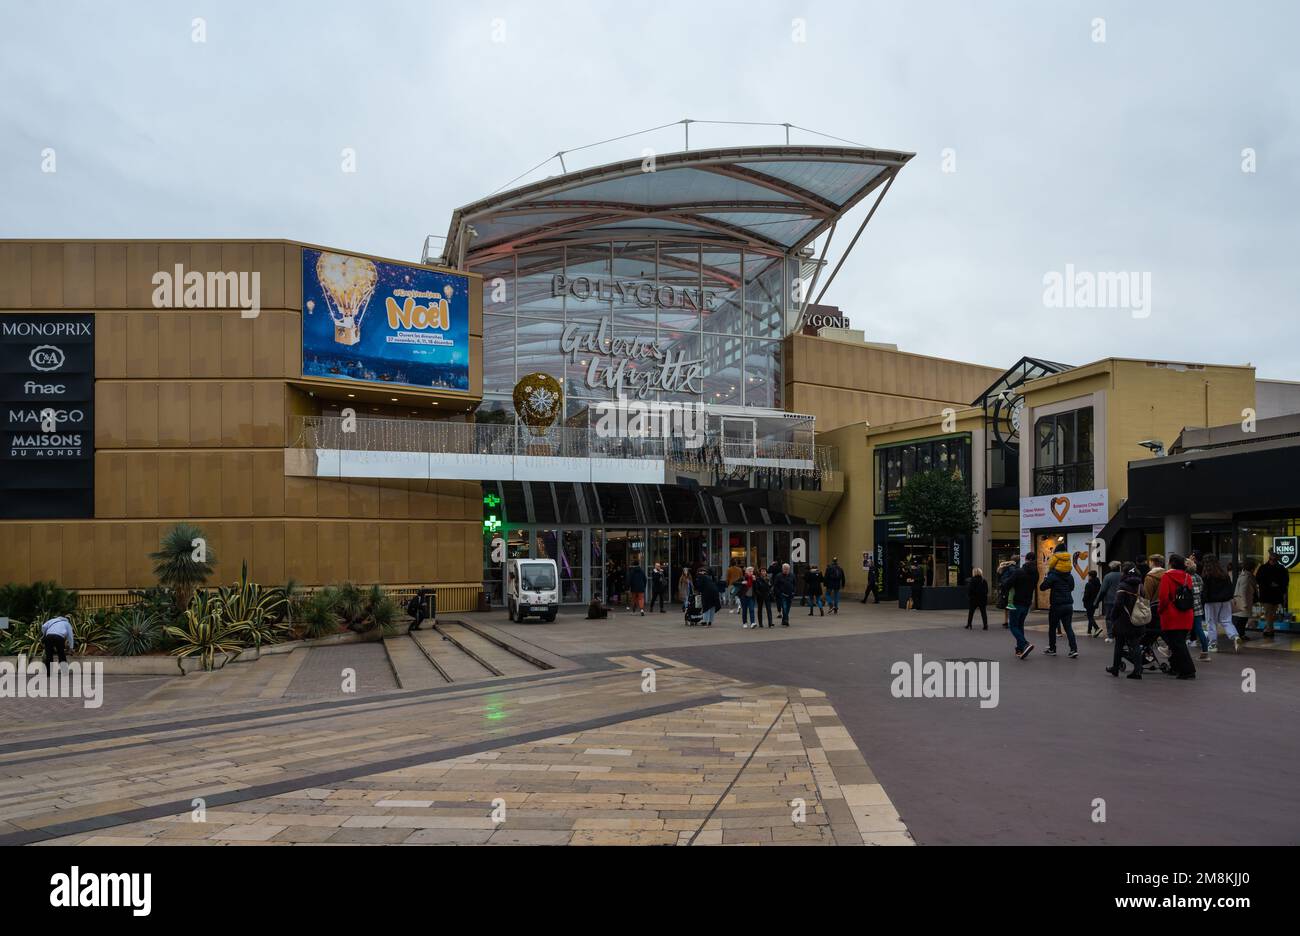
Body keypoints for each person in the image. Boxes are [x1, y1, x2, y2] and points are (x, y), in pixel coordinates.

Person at [1158, 554, 1197, 679]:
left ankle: (1188, 670)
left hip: (1172, 614)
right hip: (1186, 613)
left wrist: (1160, 610)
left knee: (1177, 644)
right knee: (1177, 643)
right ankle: (1175, 667)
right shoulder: (1188, 577)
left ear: (1170, 563)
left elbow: (1164, 597)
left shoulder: (1167, 576)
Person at [1105, 564, 1145, 679]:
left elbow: (1118, 604)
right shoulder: (1140, 586)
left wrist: (1113, 617)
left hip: (1123, 620)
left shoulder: (1122, 586)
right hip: (1137, 619)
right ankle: (1137, 670)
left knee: (1119, 645)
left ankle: (1115, 668)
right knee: (1135, 644)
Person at [1039, 545, 1079, 658]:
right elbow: (1071, 588)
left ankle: (1052, 648)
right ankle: (1073, 649)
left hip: (1057, 605)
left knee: (1052, 627)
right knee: (1068, 627)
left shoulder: (1053, 575)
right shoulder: (1069, 576)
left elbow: (1042, 587)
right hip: (1068, 604)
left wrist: (1046, 576)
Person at [1201, 554, 1240, 653]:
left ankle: (1213, 644)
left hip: (1211, 602)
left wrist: (1203, 601)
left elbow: (1205, 591)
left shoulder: (1206, 575)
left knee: (1211, 622)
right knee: (1227, 620)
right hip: (1225, 601)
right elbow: (1230, 587)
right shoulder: (1223, 573)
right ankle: (1235, 636)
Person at [1007, 553, 1036, 659]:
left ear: (1026, 559)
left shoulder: (1019, 572)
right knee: (1020, 625)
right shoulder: (1035, 573)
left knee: (1013, 626)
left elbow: (1008, 583)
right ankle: (1020, 649)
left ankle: (1025, 644)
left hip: (1016, 602)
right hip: (1027, 603)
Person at [1256, 549, 1290, 639]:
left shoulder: (1280, 569)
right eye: (1272, 559)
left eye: (1274, 560)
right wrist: (1271, 585)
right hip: (1267, 594)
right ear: (1269, 559)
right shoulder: (1263, 568)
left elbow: (1285, 581)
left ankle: (1267, 629)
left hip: (1275, 594)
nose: (1273, 561)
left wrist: (1279, 587)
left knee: (1271, 614)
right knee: (1269, 613)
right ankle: (1270, 630)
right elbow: (1258, 580)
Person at [1186, 557, 1209, 661]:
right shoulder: (1199, 577)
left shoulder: (1185, 578)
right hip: (1198, 607)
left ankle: (1171, 650)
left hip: (1187, 608)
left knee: (1182, 630)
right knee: (1199, 629)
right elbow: (1201, 590)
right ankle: (1205, 652)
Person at [1232, 558, 1258, 643]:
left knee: (1242, 620)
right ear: (1252, 568)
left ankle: (1241, 634)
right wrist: (1244, 603)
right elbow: (1242, 591)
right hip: (1243, 602)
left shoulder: (1246, 575)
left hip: (1243, 601)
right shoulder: (1246, 577)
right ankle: (1239, 635)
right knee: (1241, 620)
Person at [1098, 560, 1122, 642]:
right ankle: (1120, 635)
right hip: (1122, 600)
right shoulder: (1123, 575)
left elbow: (1103, 590)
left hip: (1109, 600)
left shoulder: (1107, 576)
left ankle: (1110, 636)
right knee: (1120, 618)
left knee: (1109, 618)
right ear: (1119, 567)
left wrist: (1097, 601)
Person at [996, 559, 1016, 627]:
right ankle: (1010, 621)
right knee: (1010, 606)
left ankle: (1006, 621)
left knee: (1006, 607)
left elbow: (1000, 580)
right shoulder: (1010, 570)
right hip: (1010, 590)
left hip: (1004, 590)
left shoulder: (1001, 571)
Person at [1082, 569, 1102, 637]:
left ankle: (1097, 628)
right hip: (1095, 602)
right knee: (1091, 616)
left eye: (1088, 576)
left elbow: (1086, 595)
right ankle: (1089, 630)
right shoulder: (1098, 584)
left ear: (1090, 576)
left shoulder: (1088, 584)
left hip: (1089, 603)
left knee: (1090, 616)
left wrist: (1083, 600)